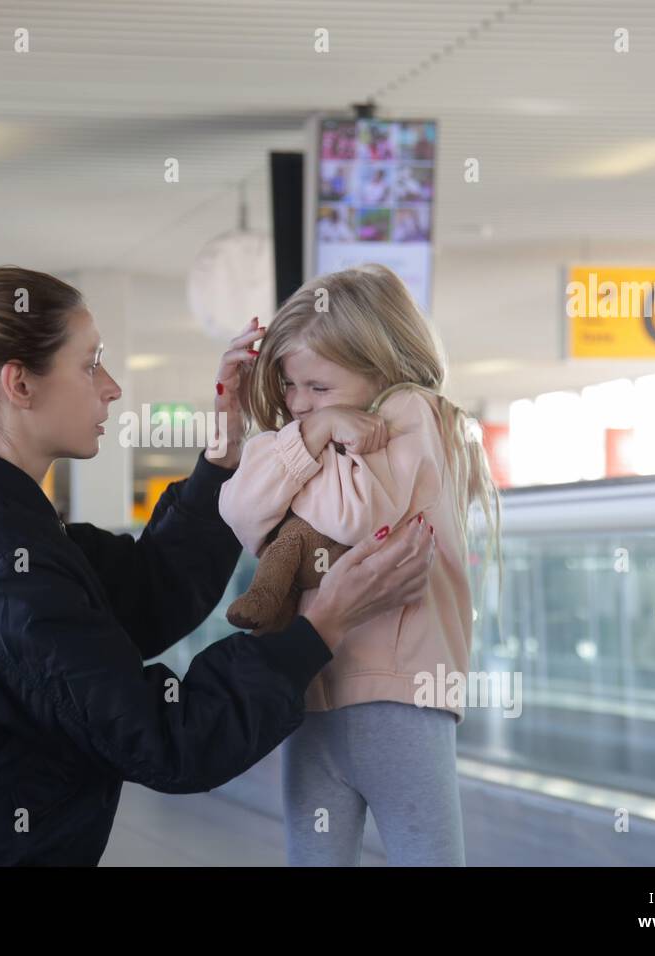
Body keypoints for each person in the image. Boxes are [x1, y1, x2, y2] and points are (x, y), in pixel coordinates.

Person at [0, 264, 434, 866]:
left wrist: (225, 454)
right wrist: (320, 624)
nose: (110, 386)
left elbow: (145, 591)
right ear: (20, 384)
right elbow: (167, 741)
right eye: (90, 364)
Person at [219, 263, 501, 866]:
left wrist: (288, 451)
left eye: (318, 390)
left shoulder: (412, 410)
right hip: (314, 688)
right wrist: (314, 432)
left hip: (398, 693)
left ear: (384, 367)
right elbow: (241, 512)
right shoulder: (322, 432)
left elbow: (355, 515)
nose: (297, 405)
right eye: (291, 389)